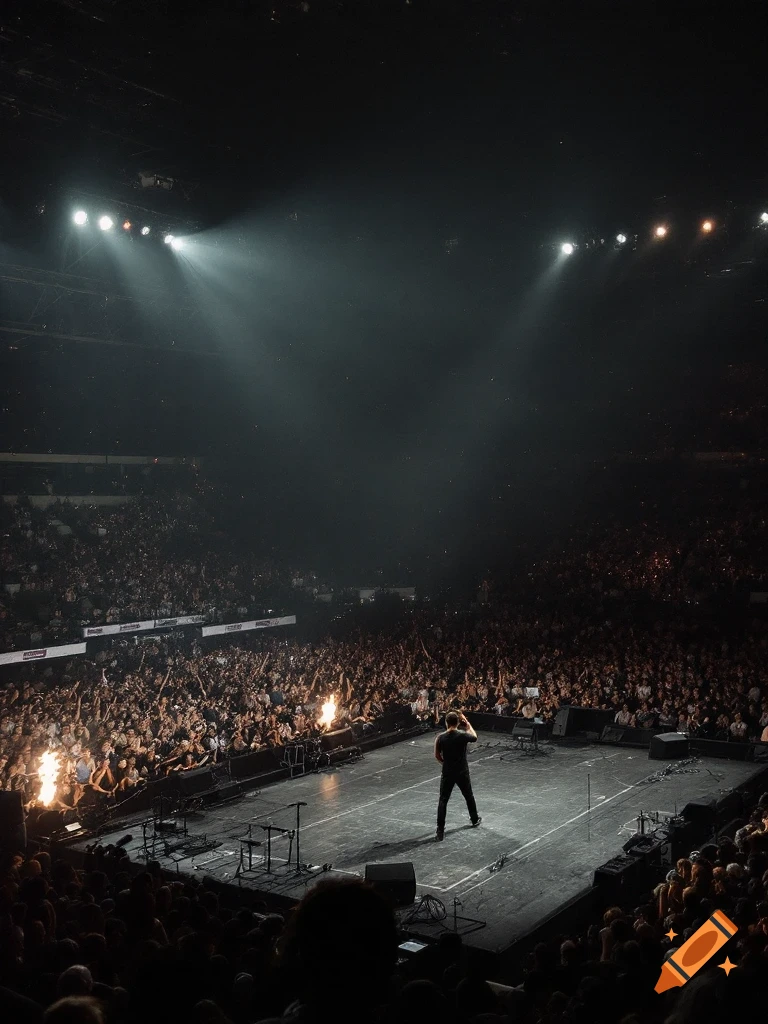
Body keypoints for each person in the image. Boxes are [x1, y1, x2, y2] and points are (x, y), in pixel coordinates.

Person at [434, 711, 481, 841]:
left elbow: (437, 755)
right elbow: (474, 737)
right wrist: (468, 725)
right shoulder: (462, 735)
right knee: (468, 796)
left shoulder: (440, 737)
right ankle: (474, 819)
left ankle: (440, 830)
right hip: (462, 771)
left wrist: (445, 763)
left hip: (447, 771)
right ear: (458, 723)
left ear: (446, 722)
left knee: (443, 800)